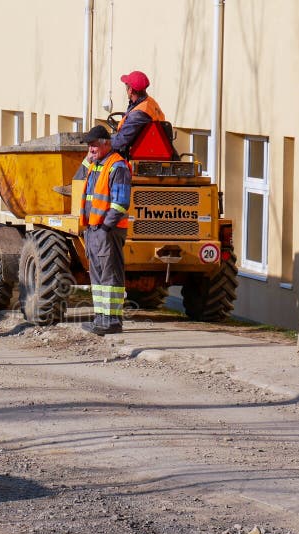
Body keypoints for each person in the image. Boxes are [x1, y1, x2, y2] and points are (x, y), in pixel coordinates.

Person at [78, 124, 131, 336]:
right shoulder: (96, 165)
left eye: (93, 145)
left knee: (110, 277)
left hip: (107, 230)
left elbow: (121, 203)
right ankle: (101, 319)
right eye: (89, 146)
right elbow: (77, 176)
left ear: (106, 144)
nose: (90, 149)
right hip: (94, 229)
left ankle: (112, 321)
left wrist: (106, 227)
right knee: (98, 276)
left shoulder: (117, 166)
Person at [111, 70, 165, 157]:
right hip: (152, 150)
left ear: (130, 90)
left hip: (140, 154)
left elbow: (120, 141)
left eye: (126, 87)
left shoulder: (138, 114)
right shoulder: (149, 102)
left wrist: (102, 141)